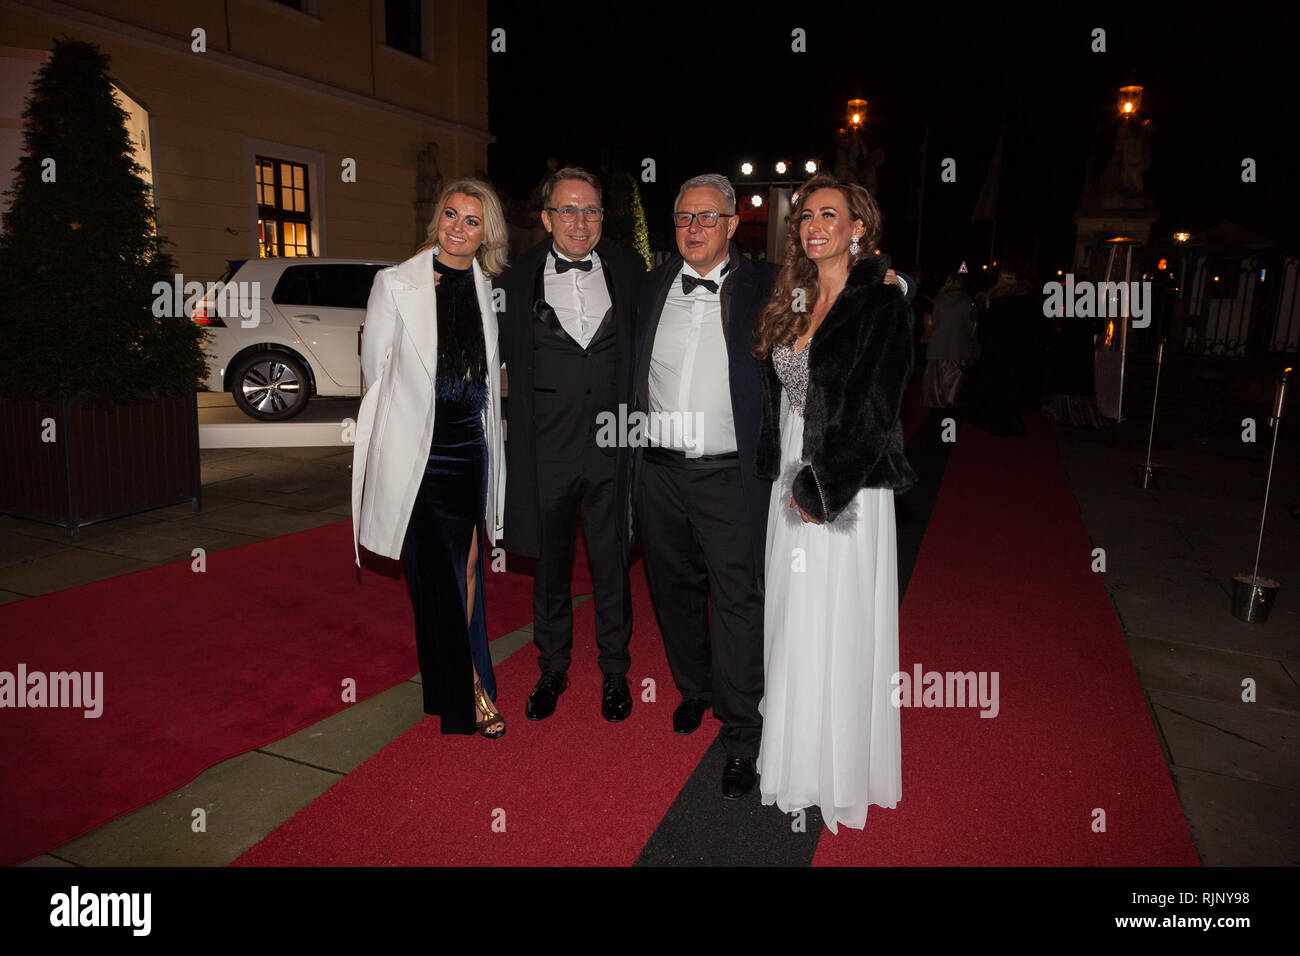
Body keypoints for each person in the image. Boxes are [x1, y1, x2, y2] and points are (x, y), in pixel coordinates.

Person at [752, 174, 915, 832]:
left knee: (836, 614)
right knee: (793, 613)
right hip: (791, 465)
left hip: (843, 472)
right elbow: (780, 396)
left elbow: (881, 409)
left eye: (831, 214)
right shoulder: (792, 294)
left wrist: (825, 489)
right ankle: (794, 752)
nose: (814, 224)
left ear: (860, 227)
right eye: (806, 215)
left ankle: (836, 766)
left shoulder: (882, 295)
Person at [632, 173, 775, 798]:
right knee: (674, 590)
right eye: (684, 218)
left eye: (707, 218)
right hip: (658, 471)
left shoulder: (766, 285)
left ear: (733, 223)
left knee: (738, 600)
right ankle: (695, 688)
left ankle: (743, 732)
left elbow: (835, 288)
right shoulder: (653, 284)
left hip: (729, 472)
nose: (694, 229)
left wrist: (891, 278)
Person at [351, 178, 509, 738]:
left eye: (472, 220)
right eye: (451, 215)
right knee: (438, 573)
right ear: (436, 220)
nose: (459, 228)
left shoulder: (489, 286)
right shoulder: (395, 283)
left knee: (467, 562)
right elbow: (376, 376)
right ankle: (465, 684)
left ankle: (455, 676)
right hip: (419, 448)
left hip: (471, 444)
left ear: (486, 231)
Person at [494, 167, 641, 724]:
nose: (580, 222)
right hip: (545, 449)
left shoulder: (630, 270)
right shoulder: (514, 276)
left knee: (612, 565)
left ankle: (615, 672)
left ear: (602, 216)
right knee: (550, 568)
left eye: (591, 211)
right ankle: (551, 667)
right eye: (568, 210)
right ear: (548, 217)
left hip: (614, 444)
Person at [922, 272, 974, 408]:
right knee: (955, 374)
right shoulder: (966, 299)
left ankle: (936, 401)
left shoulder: (940, 298)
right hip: (958, 342)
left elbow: (935, 320)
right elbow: (968, 324)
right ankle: (951, 401)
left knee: (936, 377)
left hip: (939, 342)